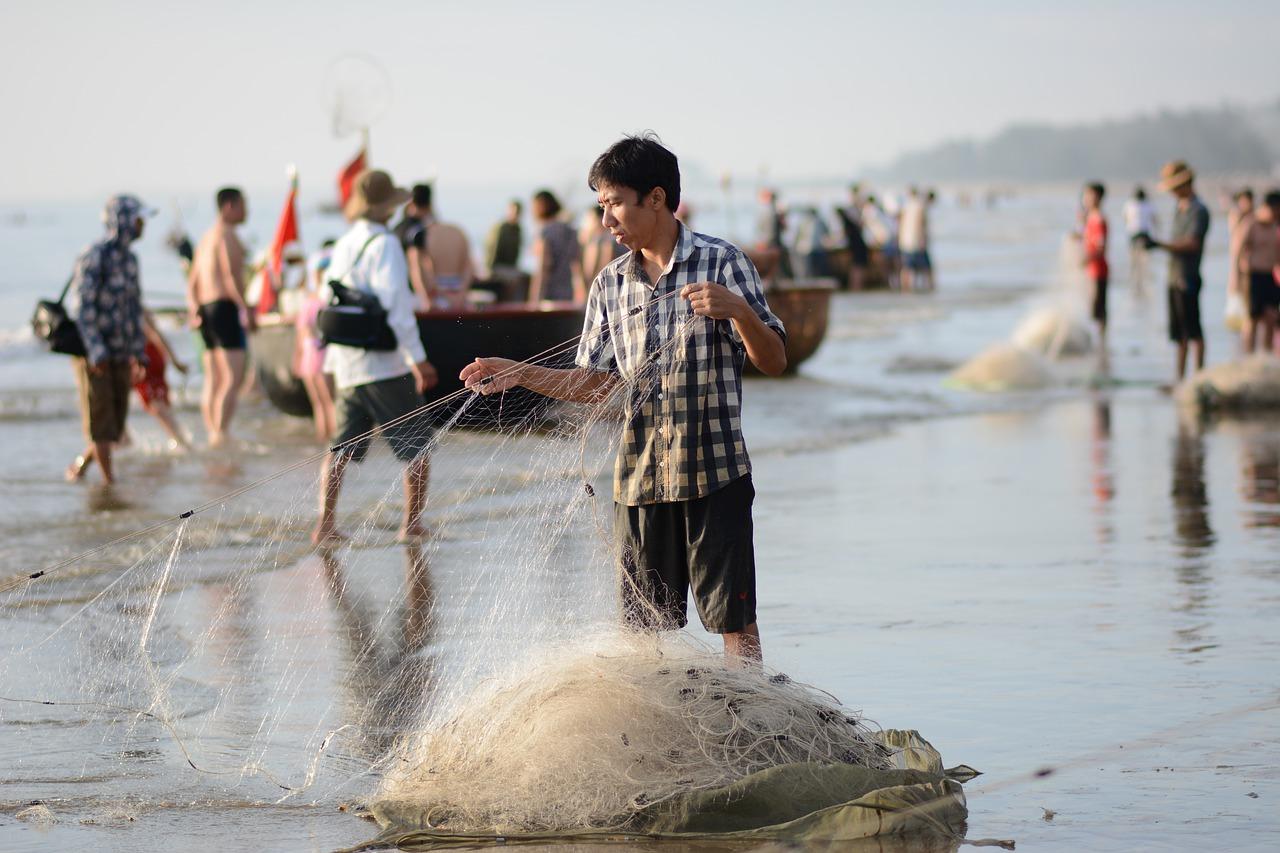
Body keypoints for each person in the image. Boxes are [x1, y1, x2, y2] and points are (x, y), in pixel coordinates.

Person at [462, 134, 787, 663]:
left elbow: (773, 360)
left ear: (655, 198)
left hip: (717, 474)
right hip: (639, 480)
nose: (605, 218)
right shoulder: (610, 284)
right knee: (641, 635)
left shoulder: (724, 263)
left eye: (613, 203)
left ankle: (745, 731)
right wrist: (520, 374)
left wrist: (740, 312)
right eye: (600, 206)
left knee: (736, 626)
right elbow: (595, 384)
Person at [314, 170, 439, 545]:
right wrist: (418, 358)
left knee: (338, 449)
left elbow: (329, 298)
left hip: (348, 362)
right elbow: (397, 306)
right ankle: (412, 523)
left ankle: (325, 524)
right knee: (418, 445)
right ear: (389, 206)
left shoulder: (343, 243)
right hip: (385, 364)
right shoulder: (385, 244)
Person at [64, 195, 152, 484]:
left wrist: (139, 352)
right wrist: (96, 351)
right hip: (96, 355)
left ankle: (82, 468)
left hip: (121, 353)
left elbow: (135, 309)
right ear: (123, 220)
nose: (143, 225)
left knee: (113, 424)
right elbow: (82, 307)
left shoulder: (130, 259)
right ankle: (109, 485)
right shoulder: (95, 254)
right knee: (101, 423)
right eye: (139, 219)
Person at [187, 186, 252, 447]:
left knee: (213, 378)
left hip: (205, 310)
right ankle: (221, 434)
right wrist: (246, 308)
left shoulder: (205, 238)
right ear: (229, 206)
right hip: (224, 308)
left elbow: (192, 283)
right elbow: (229, 276)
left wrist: (194, 310)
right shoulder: (227, 235)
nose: (247, 211)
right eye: (243, 204)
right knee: (233, 377)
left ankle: (213, 431)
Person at [1150, 161, 1211, 382]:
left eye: (1174, 188)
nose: (1173, 193)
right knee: (1179, 333)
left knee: (1194, 330)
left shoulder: (1199, 210)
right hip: (1174, 276)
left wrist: (1160, 245)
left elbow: (1192, 243)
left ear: (1185, 184)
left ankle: (1199, 377)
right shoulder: (1180, 208)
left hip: (1188, 276)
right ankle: (1180, 378)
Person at [295, 240, 337, 441]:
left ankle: (323, 441)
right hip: (322, 352)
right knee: (331, 402)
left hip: (308, 355)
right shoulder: (326, 300)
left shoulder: (308, 300)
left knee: (318, 404)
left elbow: (301, 331)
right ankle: (336, 443)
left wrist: (298, 357)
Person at [133, 310, 192, 450]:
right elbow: (156, 333)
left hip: (146, 360)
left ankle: (179, 441)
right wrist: (174, 361)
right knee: (159, 404)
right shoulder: (136, 306)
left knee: (156, 405)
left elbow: (154, 334)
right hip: (151, 357)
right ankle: (180, 438)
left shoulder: (131, 309)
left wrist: (175, 361)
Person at [1233, 189, 1280, 354]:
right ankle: (1248, 355)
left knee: (1271, 317)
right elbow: (1237, 252)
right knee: (1252, 318)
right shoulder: (1251, 223)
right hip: (1252, 276)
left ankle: (1266, 355)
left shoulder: (1276, 225)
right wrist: (1235, 279)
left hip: (1271, 276)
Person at [417, 184, 475, 311]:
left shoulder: (422, 235)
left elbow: (418, 269)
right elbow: (470, 266)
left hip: (436, 296)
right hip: (458, 292)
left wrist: (427, 297)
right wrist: (462, 293)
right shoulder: (458, 232)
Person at [527, 189, 585, 304]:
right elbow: (577, 264)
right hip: (568, 292)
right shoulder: (570, 230)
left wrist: (533, 300)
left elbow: (543, 267)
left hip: (548, 294)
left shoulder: (544, 232)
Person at [393, 184, 434, 310]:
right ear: (428, 206)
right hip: (410, 292)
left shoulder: (398, 227)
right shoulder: (418, 231)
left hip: (395, 288)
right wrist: (425, 297)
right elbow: (415, 267)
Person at [1079, 182, 1109, 342]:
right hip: (1090, 270)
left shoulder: (1100, 219)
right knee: (1091, 307)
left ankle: (1101, 341)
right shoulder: (1089, 218)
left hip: (1099, 270)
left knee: (1099, 309)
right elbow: (1086, 238)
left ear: (1097, 197)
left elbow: (1101, 248)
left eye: (1088, 195)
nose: (1085, 199)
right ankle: (1097, 339)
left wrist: (1086, 259)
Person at [1122, 186, 1157, 294]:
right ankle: (1142, 278)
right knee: (1144, 257)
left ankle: (1135, 278)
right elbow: (1154, 219)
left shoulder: (1129, 204)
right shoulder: (1148, 205)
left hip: (1133, 233)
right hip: (1144, 233)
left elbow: (1125, 217)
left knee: (1134, 257)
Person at [581, 204, 625, 284]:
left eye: (590, 219)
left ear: (600, 219)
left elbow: (597, 268)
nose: (587, 224)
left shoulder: (606, 240)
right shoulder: (615, 237)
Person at [899, 186, 932, 292]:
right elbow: (920, 223)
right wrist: (922, 240)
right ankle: (927, 289)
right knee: (926, 269)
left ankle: (905, 289)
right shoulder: (919, 205)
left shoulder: (906, 205)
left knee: (907, 267)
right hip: (916, 241)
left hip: (905, 241)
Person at [836, 184, 869, 290]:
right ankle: (856, 287)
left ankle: (855, 287)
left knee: (857, 266)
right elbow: (860, 223)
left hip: (854, 241)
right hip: (856, 241)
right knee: (857, 266)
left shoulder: (849, 210)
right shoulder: (851, 210)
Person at [754, 188, 791, 279]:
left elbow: (769, 231)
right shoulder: (775, 210)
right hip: (775, 244)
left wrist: (764, 243)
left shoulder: (768, 210)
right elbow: (784, 228)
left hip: (771, 245)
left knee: (775, 270)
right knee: (779, 270)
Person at [485, 199, 524, 277]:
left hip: (510, 267)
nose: (515, 214)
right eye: (513, 211)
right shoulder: (500, 228)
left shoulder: (518, 229)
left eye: (518, 212)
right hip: (498, 267)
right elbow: (492, 249)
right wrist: (490, 269)